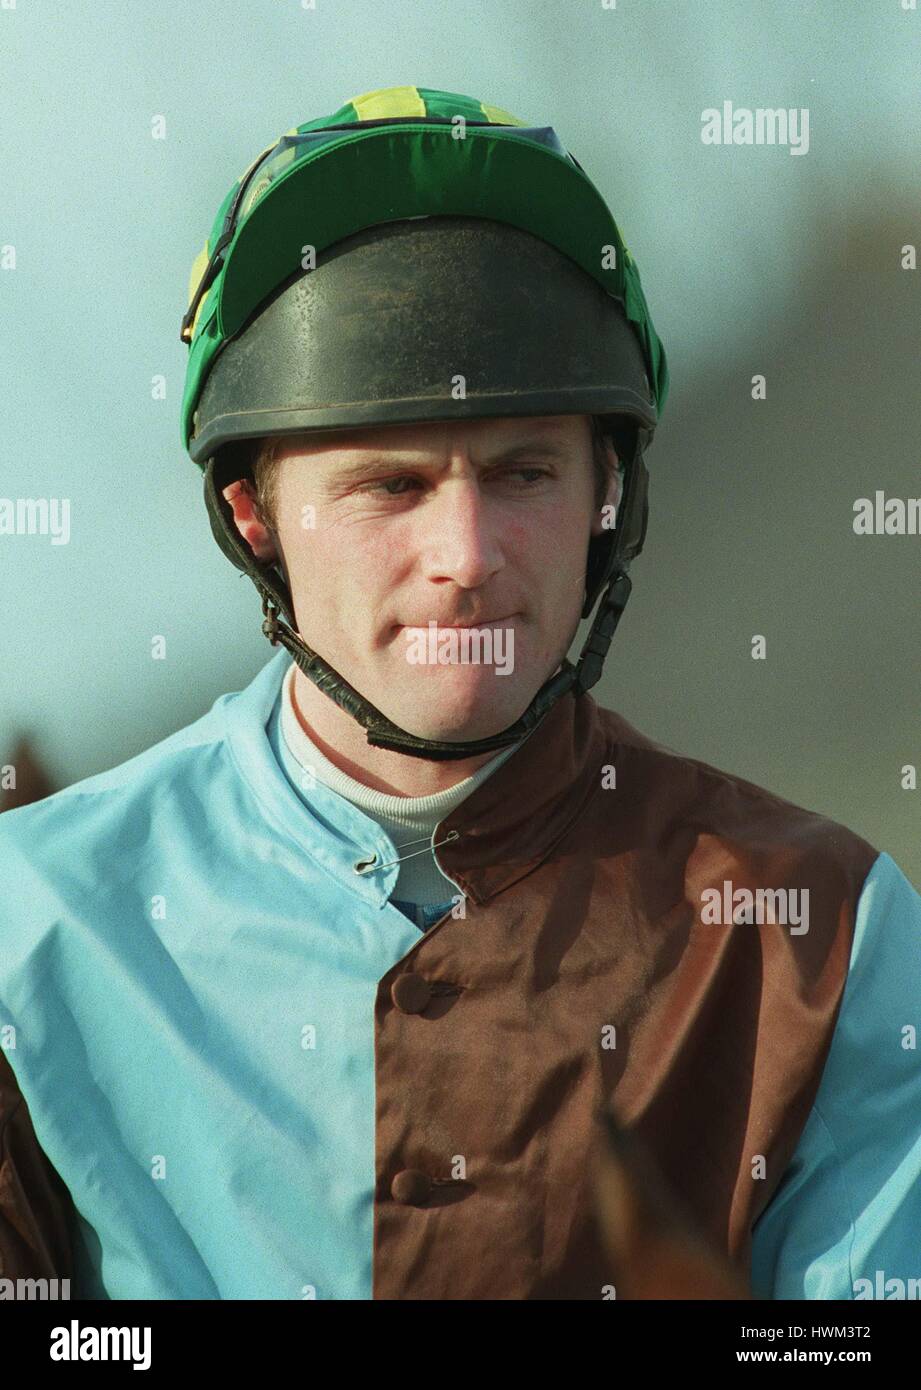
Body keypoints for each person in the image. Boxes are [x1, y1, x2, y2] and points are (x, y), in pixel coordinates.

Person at [1, 85, 919, 1302]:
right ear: (252, 517)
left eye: (524, 472)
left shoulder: (822, 934)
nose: (469, 553)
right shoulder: (33, 924)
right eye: (390, 484)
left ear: (607, 501)